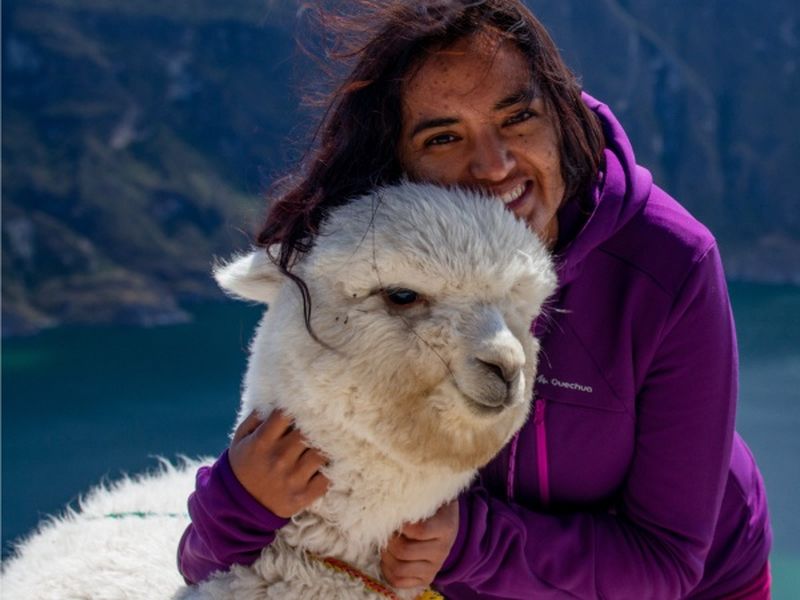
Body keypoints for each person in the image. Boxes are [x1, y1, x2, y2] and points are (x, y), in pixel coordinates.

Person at [177, 1, 772, 597]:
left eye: (518, 120)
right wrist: (240, 503)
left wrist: (473, 544)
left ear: (561, 115)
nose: (493, 165)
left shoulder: (668, 264)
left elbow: (666, 561)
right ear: (398, 161)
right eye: (443, 136)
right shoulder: (368, 277)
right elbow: (218, 559)